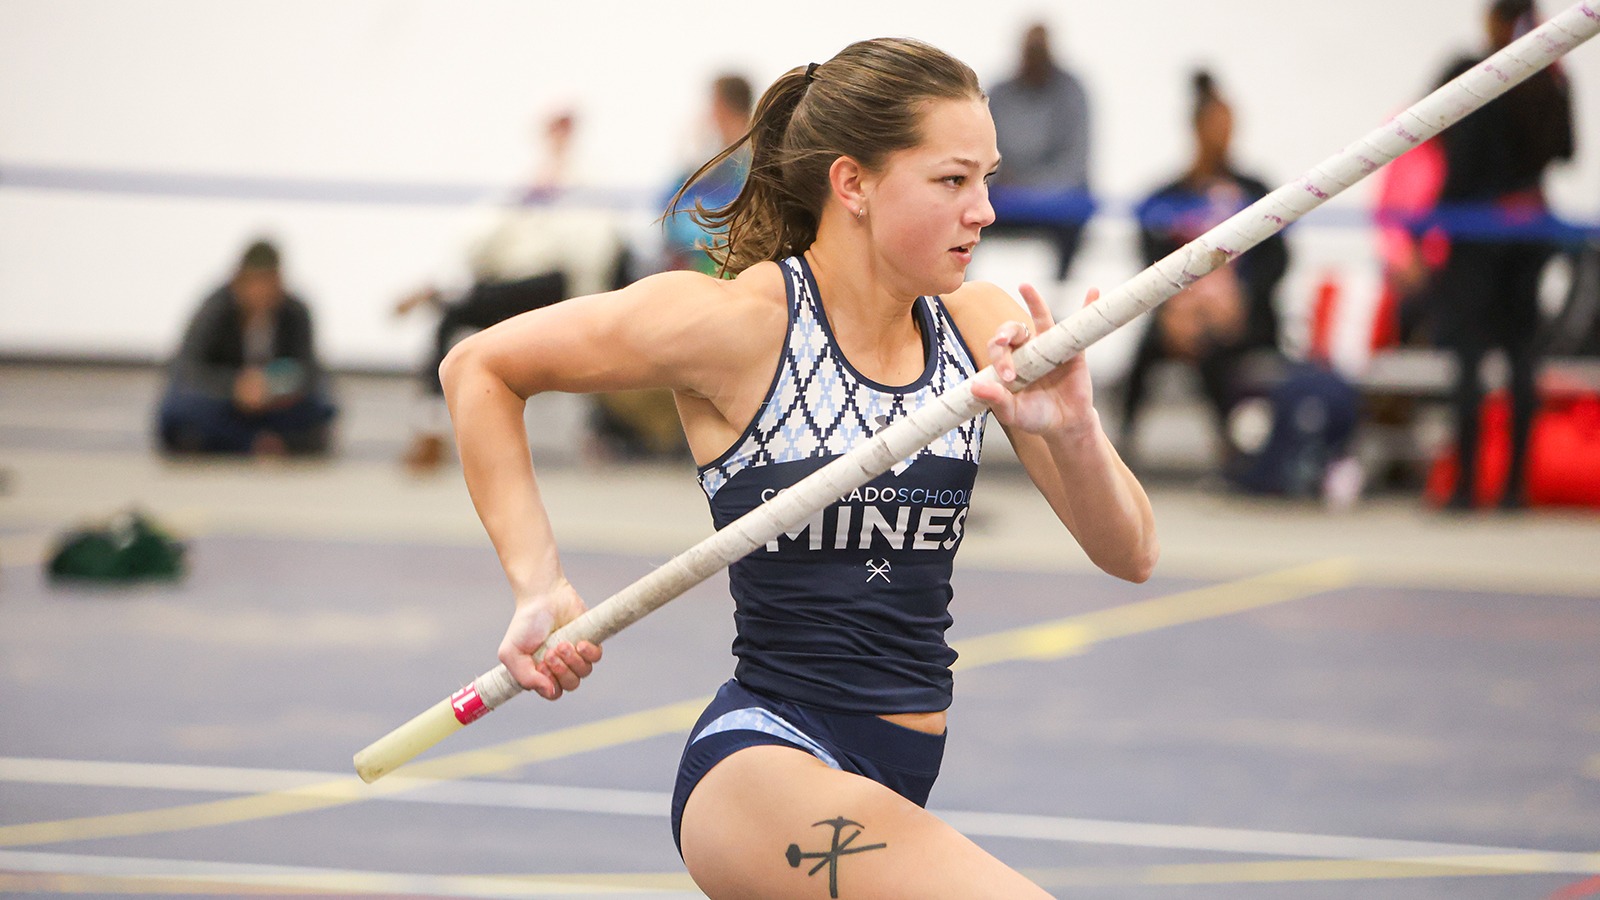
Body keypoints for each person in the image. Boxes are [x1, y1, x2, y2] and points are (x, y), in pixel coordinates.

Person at [438, 38, 1157, 897]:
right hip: (764, 766)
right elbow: (479, 368)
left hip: (895, 775)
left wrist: (1073, 429)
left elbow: (1132, 553)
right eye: (952, 181)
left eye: (988, 180)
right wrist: (538, 583)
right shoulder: (740, 324)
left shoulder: (981, 328)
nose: (985, 211)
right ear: (852, 184)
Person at [395, 109, 630, 472]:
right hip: (507, 282)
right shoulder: (524, 181)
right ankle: (430, 427)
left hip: (552, 285)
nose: (558, 135)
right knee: (450, 322)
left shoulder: (589, 182)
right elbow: (478, 243)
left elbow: (593, 250)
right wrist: (529, 196)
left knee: (460, 307)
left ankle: (446, 293)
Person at [1430, 0, 1575, 511]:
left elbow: (1452, 151)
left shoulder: (1480, 77)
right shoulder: (1548, 79)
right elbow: (1566, 150)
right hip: (1522, 235)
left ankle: (1469, 488)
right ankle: (1513, 490)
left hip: (1480, 239)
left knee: (1475, 366)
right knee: (1517, 365)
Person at [1120, 70, 1290, 467]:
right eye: (1217, 126)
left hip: (1243, 316)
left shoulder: (1255, 191)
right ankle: (1118, 450)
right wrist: (1173, 308)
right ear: (1197, 129)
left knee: (1219, 353)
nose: (1224, 136)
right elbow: (1148, 257)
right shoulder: (1167, 194)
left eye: (1230, 126)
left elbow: (1277, 259)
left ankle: (1235, 453)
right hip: (1180, 314)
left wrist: (1243, 301)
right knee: (1146, 353)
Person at [157, 239, 336, 456]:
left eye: (267, 282)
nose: (260, 291)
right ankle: (256, 443)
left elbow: (307, 369)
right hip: (227, 403)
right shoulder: (216, 309)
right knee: (177, 409)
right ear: (238, 281)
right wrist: (235, 386)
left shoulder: (295, 312)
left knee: (323, 404)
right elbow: (187, 367)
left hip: (275, 402)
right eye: (253, 282)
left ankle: (254, 442)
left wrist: (271, 385)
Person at [984, 22, 1093, 282]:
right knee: (963, 213)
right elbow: (984, 149)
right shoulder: (999, 93)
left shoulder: (1072, 93)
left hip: (1059, 201)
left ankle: (1060, 296)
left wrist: (1033, 188)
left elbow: (1075, 160)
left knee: (1074, 222)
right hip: (1003, 197)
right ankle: (954, 298)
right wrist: (998, 179)